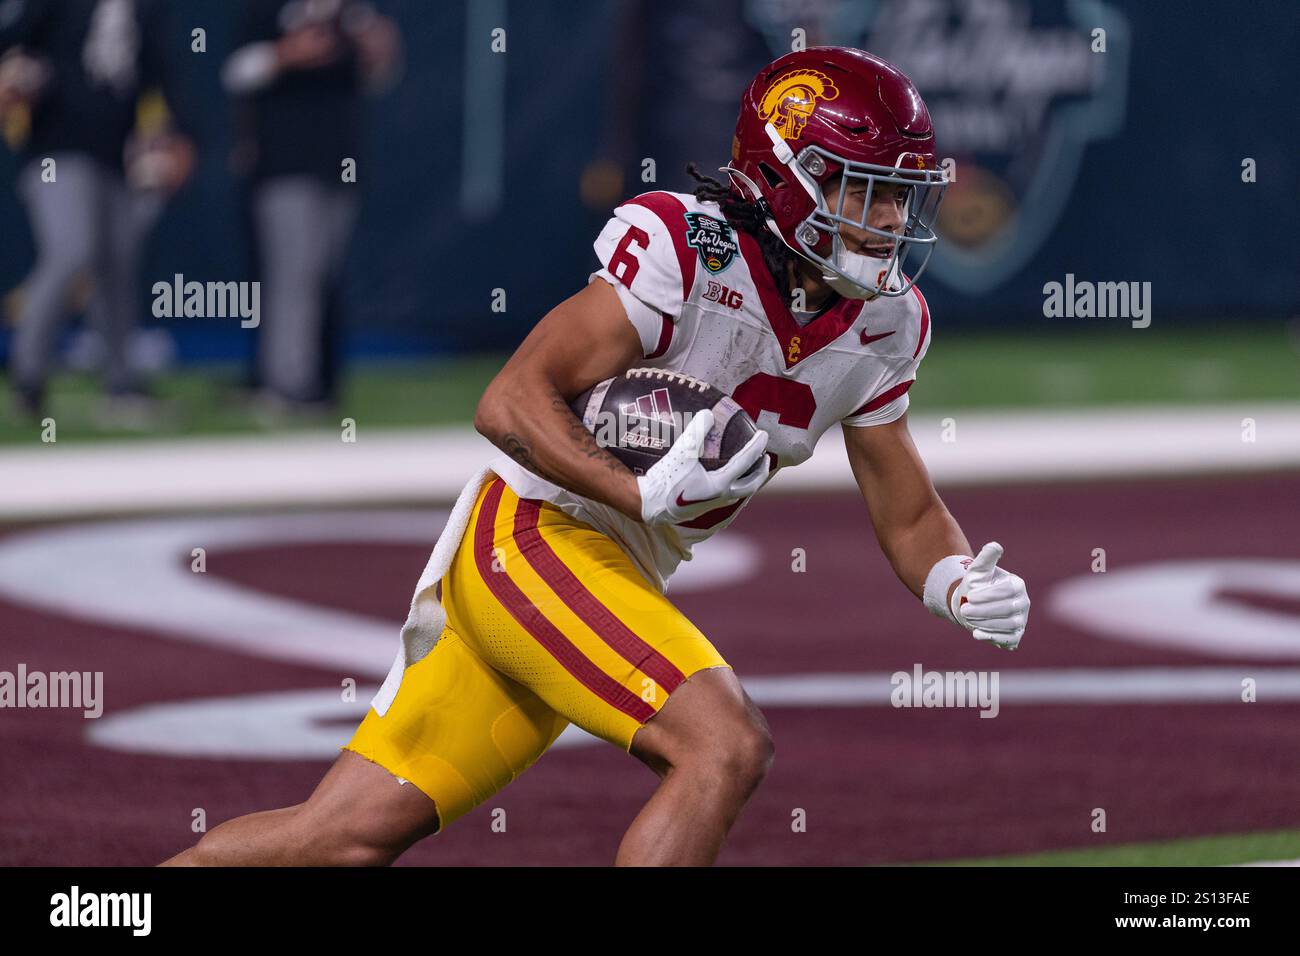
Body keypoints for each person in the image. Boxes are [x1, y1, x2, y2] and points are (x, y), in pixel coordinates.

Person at [162, 47, 1031, 868]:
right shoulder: (688, 248)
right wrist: (637, 487)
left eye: (899, 195)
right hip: (535, 535)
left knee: (342, 837)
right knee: (723, 745)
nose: (889, 220)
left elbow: (909, 510)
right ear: (788, 178)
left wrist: (955, 580)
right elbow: (509, 400)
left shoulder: (886, 325)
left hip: (605, 573)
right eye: (863, 189)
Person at [0, 0, 194, 420]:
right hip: (56, 152)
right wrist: (15, 77)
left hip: (117, 155)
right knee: (71, 250)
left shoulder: (147, 11)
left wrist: (175, 135)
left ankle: (122, 383)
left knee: (118, 264)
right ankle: (28, 374)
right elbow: (13, 40)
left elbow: (162, 74)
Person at [222, 0, 401, 415]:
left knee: (321, 276)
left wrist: (379, 48)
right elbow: (234, 71)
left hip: (340, 163)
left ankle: (314, 383)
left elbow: (377, 76)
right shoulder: (267, 12)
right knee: (292, 275)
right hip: (283, 161)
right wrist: (284, 54)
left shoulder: (353, 14)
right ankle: (287, 385)